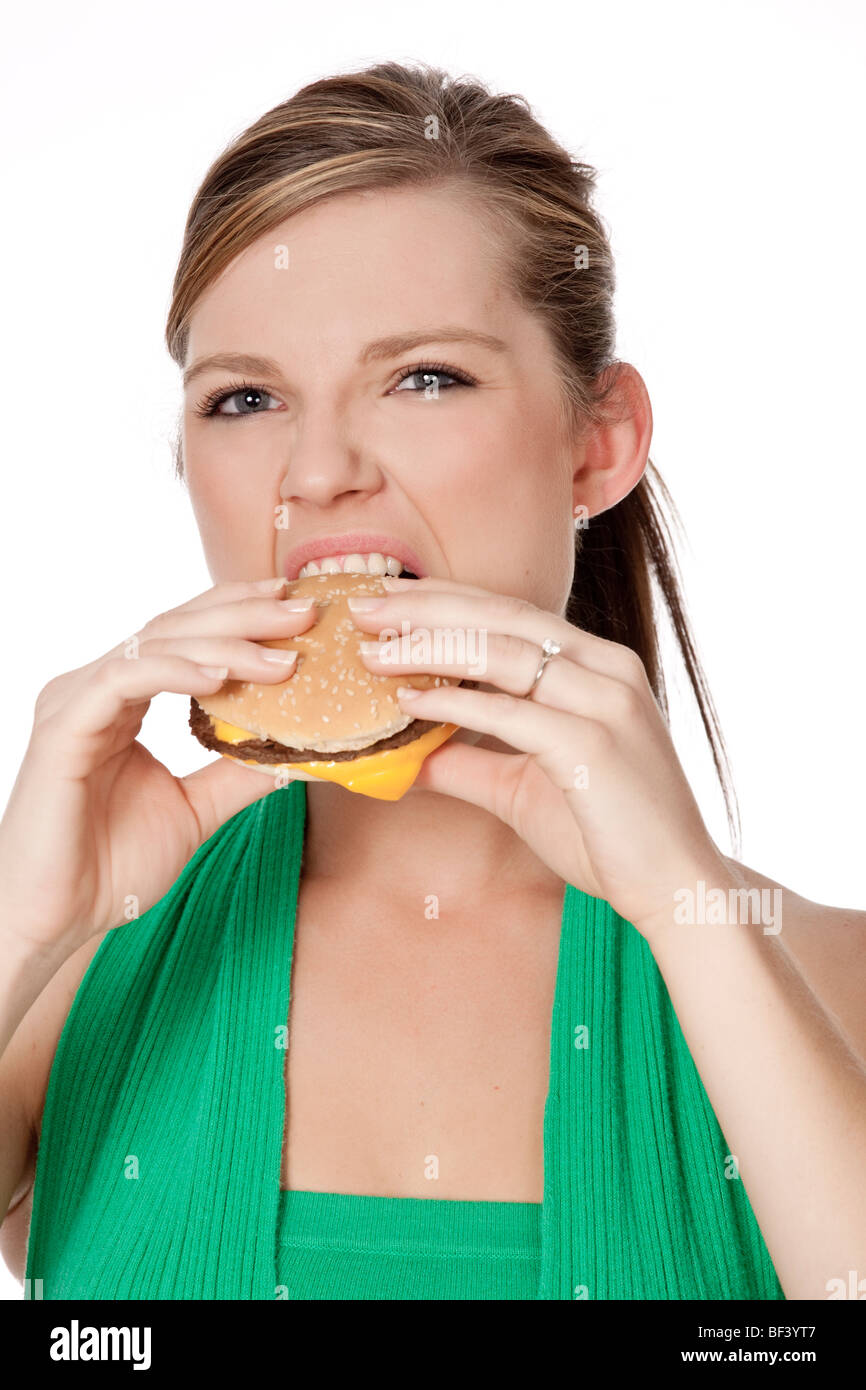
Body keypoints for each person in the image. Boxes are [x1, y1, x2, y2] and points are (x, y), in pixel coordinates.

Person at [1, 60, 864, 1302]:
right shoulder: (75, 978)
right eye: (244, 398)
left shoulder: (819, 983)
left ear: (598, 440)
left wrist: (685, 909)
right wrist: (25, 925)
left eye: (422, 378)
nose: (317, 470)